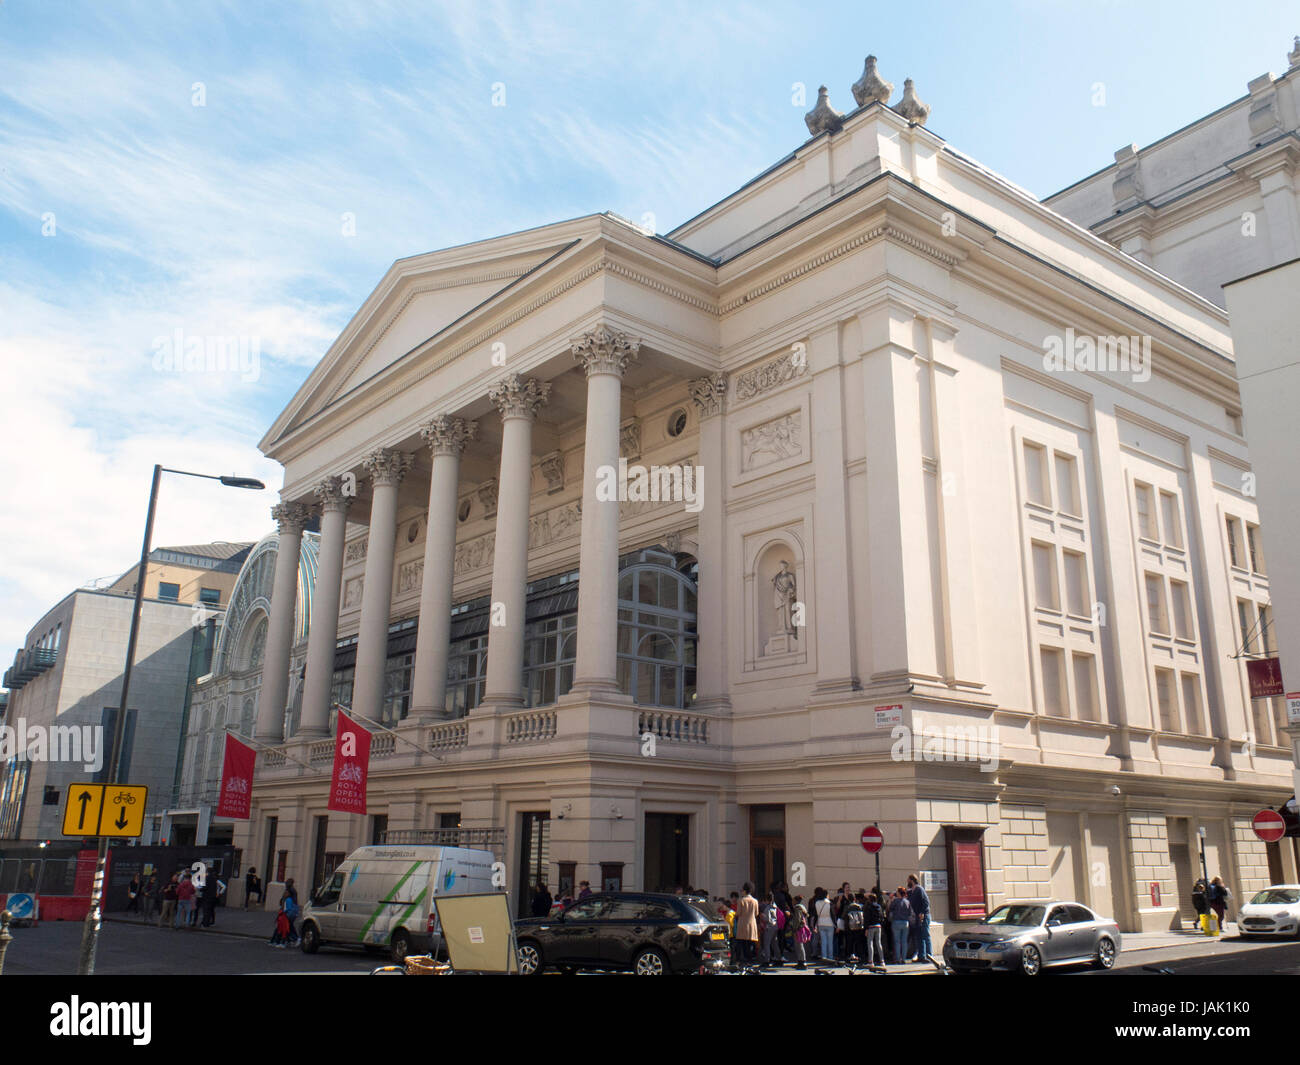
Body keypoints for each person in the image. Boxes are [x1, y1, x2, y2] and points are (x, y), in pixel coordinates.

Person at [907, 873, 932, 962]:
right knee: (919, 936)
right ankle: (921, 956)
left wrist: (922, 912)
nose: (907, 881)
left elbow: (926, 902)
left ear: (912, 880)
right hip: (917, 917)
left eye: (908, 880)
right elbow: (900, 893)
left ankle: (929, 956)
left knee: (925, 935)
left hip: (923, 916)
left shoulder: (919, 889)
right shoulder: (911, 891)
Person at [733, 883, 759, 967]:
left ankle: (743, 960)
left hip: (743, 923)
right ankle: (750, 960)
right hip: (752, 923)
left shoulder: (741, 900)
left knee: (743, 943)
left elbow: (738, 913)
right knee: (751, 943)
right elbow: (756, 913)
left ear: (745, 890)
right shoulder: (755, 901)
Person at [887, 887, 912, 964]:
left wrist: (891, 900)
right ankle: (904, 958)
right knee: (904, 941)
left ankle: (898, 958)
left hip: (896, 922)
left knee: (897, 941)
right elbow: (910, 913)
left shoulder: (895, 901)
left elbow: (890, 908)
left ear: (899, 893)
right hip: (905, 922)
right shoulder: (907, 902)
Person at [863, 891, 885, 968]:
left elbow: (867, 918)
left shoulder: (869, 907)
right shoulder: (879, 907)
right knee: (879, 943)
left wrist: (866, 928)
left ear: (870, 899)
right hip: (878, 926)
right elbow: (882, 917)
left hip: (871, 926)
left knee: (870, 943)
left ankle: (871, 961)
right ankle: (882, 961)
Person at [813, 887, 835, 962]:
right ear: (826, 895)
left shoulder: (816, 903)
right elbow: (832, 915)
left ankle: (824, 956)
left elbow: (816, 915)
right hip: (829, 923)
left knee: (823, 941)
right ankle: (830, 957)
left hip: (820, 923)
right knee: (830, 941)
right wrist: (835, 924)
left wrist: (814, 925)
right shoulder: (829, 903)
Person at [790, 895, 810, 970]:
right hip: (801, 928)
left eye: (793, 900)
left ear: (796, 901)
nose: (792, 902)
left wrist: (794, 928)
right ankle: (801, 961)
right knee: (800, 945)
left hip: (798, 929)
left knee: (799, 945)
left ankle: (802, 962)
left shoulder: (797, 908)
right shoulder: (802, 908)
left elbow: (797, 919)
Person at [282, 879, 300, 944]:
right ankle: (289, 939)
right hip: (293, 909)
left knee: (288, 925)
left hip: (291, 910)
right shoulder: (292, 890)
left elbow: (285, 898)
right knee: (289, 925)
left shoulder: (290, 890)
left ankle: (295, 938)